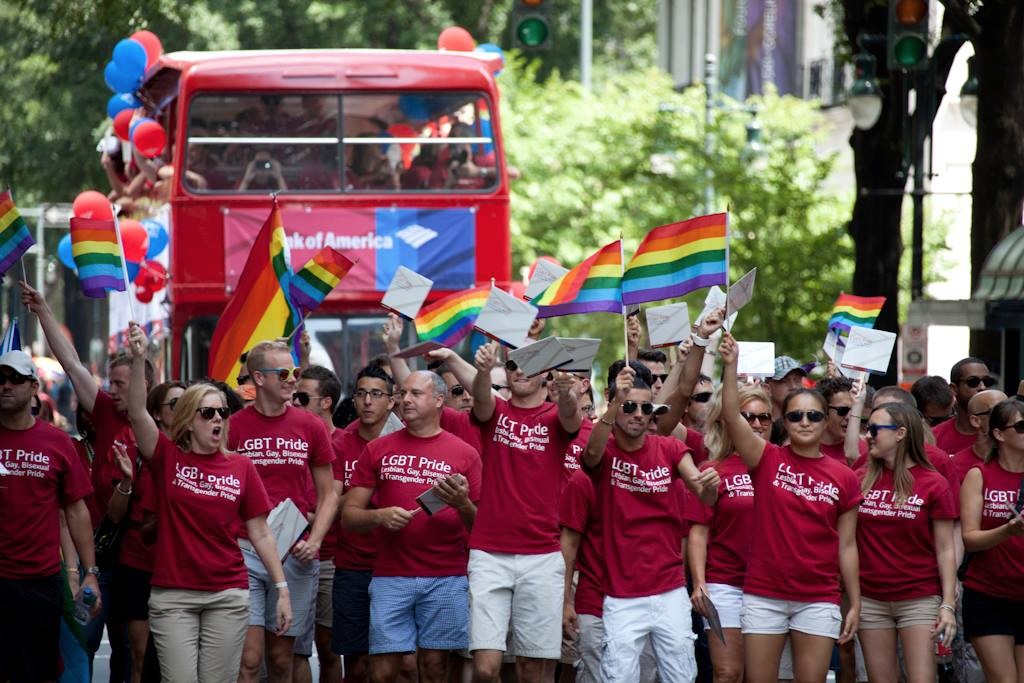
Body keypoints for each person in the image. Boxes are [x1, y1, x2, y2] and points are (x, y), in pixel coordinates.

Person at [121, 324, 291, 681]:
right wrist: (139, 360)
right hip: (173, 596)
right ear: (188, 420)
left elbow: (260, 533)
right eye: (207, 413)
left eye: (223, 413)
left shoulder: (241, 466)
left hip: (227, 595)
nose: (218, 419)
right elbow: (137, 411)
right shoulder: (167, 457)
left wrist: (281, 589)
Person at [22, 279, 155, 674]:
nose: (110, 390)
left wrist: (139, 353)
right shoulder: (105, 412)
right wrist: (44, 310)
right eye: (109, 383)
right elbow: (72, 363)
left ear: (144, 385)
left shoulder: (161, 424)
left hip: (140, 560)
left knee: (132, 655)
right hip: (96, 557)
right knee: (81, 646)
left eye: (120, 383)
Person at [717, 332, 862, 683]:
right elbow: (732, 417)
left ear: (827, 418)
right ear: (787, 420)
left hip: (818, 597)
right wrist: (731, 365)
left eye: (814, 415)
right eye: (796, 417)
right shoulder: (765, 457)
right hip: (764, 593)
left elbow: (847, 545)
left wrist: (854, 602)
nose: (805, 423)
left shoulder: (844, 476)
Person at [581, 364, 719, 682]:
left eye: (646, 407)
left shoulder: (669, 447)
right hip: (620, 594)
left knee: (681, 676)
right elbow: (591, 454)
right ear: (616, 408)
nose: (639, 414)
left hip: (670, 589)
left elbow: (703, 494)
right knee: (618, 677)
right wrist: (616, 401)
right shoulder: (607, 451)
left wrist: (708, 487)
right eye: (630, 406)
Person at [343, 371, 482, 683]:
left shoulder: (465, 453)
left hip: (445, 576)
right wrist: (379, 517)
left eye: (416, 393)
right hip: (391, 575)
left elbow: (481, 529)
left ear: (438, 401)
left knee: (435, 668)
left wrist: (461, 503)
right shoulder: (378, 449)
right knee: (381, 672)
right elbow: (349, 517)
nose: (405, 399)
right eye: (403, 393)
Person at [467, 341, 582, 683]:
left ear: (546, 373)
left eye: (529, 364)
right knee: (486, 669)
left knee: (534, 671)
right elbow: (482, 400)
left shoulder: (555, 415)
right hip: (489, 553)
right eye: (514, 364)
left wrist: (567, 394)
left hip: (542, 556)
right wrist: (485, 371)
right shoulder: (497, 412)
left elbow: (570, 416)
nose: (519, 370)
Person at [229, 341, 338, 683]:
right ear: (258, 378)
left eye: (294, 372)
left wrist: (316, 540)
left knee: (281, 660)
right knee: (248, 660)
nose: (292, 379)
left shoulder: (310, 426)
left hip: (296, 553)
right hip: (246, 552)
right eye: (283, 373)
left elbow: (329, 493)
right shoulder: (233, 426)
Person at [0, 350, 99, 683]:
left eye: (15, 379)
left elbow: (76, 510)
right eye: (0, 379)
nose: (5, 386)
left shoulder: (57, 443)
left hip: (40, 581)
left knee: (39, 672)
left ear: (33, 387)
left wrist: (89, 573)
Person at [855, 402, 958, 683]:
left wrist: (948, 604)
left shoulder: (934, 483)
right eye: (867, 428)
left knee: (922, 679)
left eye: (875, 429)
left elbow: (946, 548)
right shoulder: (860, 479)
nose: (868, 435)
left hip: (919, 597)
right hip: (869, 597)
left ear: (900, 433)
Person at [687, 384, 772, 683]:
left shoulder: (780, 466)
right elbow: (699, 531)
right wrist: (700, 584)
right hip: (725, 586)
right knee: (726, 673)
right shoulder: (713, 469)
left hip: (771, 589)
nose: (757, 424)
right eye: (748, 417)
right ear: (730, 421)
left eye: (765, 417)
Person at [331, 365, 397, 683]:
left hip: (397, 567)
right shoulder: (340, 442)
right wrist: (363, 489)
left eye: (376, 394)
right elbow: (330, 506)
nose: (367, 401)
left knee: (397, 666)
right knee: (355, 665)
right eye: (360, 394)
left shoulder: (405, 441)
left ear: (392, 400)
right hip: (351, 565)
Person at [960, 398, 1024, 683]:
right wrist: (1008, 530)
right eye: (1022, 426)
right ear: (999, 434)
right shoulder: (979, 475)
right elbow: (970, 539)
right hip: (988, 594)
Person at [291, 365, 345, 683]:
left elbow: (335, 498)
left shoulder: (344, 441)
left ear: (325, 402)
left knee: (327, 649)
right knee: (293, 650)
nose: (294, 402)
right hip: (284, 557)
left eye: (302, 396)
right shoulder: (289, 433)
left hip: (328, 560)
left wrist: (315, 518)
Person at [934, 358, 996, 454]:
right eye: (973, 382)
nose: (982, 387)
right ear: (954, 389)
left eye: (987, 381)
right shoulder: (935, 437)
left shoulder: (1007, 435)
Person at [951, 390, 1007, 483]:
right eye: (996, 412)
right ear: (975, 420)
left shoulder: (1018, 461)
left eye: (1008, 412)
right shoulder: (955, 466)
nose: (1005, 418)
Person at [816, 376, 867, 465]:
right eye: (842, 410)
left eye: (854, 410)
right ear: (824, 410)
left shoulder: (864, 451)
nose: (849, 417)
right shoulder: (805, 447)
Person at [766, 356, 808, 420]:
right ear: (767, 388)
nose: (793, 386)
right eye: (784, 381)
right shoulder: (757, 423)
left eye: (797, 380)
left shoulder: (813, 420)